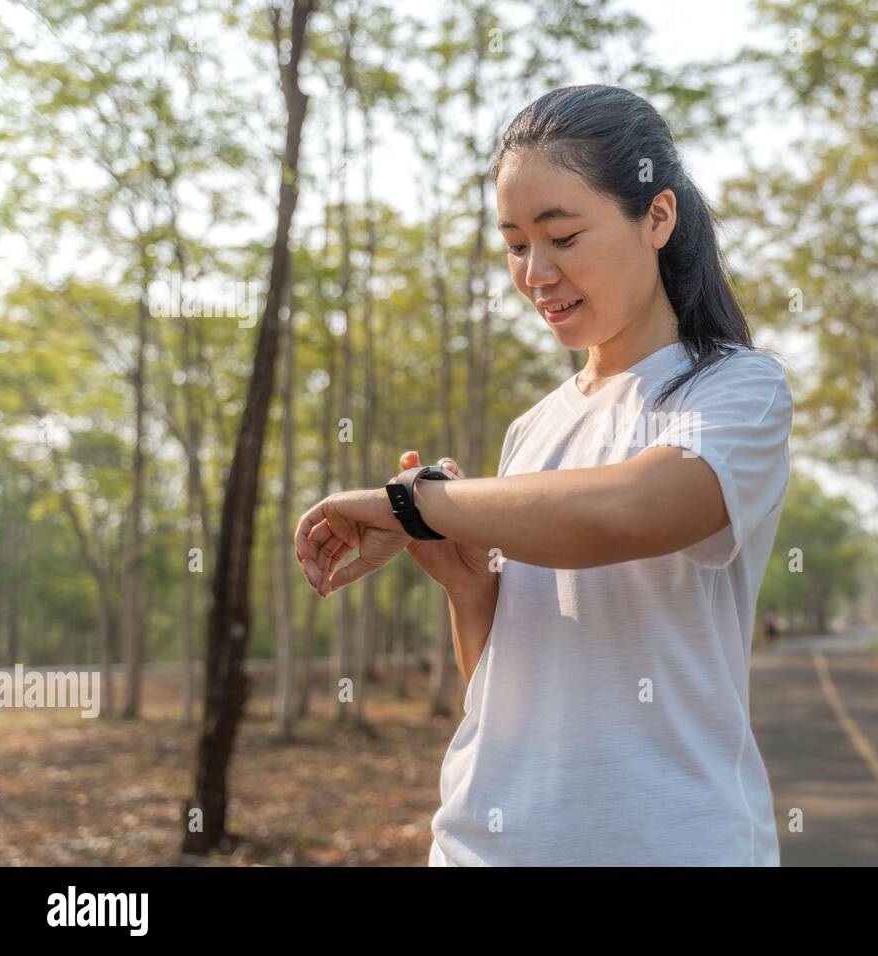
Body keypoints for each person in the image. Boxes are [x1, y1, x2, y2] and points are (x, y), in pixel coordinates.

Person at [293, 84, 794, 866]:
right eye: (516, 243)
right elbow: (503, 689)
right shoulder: (532, 428)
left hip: (671, 844)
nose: (536, 272)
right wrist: (467, 585)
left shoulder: (734, 388)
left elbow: (627, 512)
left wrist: (420, 502)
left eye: (562, 236)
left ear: (656, 218)